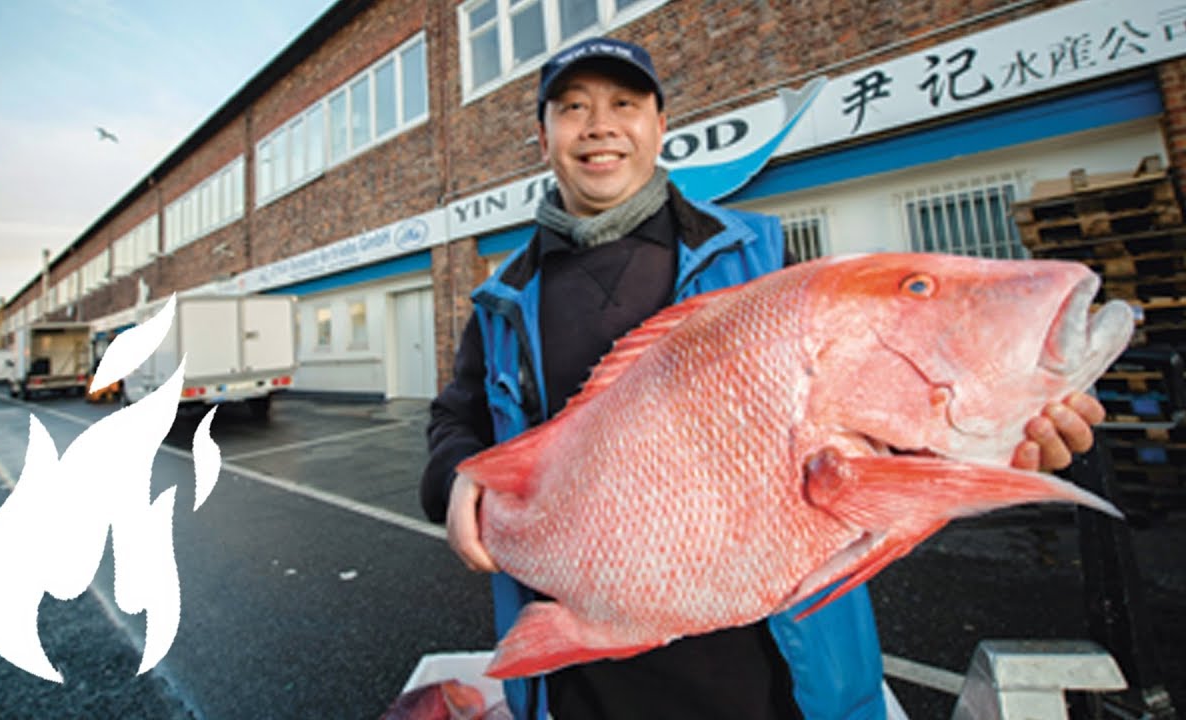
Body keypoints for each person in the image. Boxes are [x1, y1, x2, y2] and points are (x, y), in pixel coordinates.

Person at [420, 37, 1105, 720]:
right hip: (582, 690)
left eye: (624, 104)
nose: (599, 125)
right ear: (544, 138)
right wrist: (459, 483)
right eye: (573, 109)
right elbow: (454, 420)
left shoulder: (766, 256)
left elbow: (880, 455)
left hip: (775, 690)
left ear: (659, 126)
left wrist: (1003, 435)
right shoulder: (502, 299)